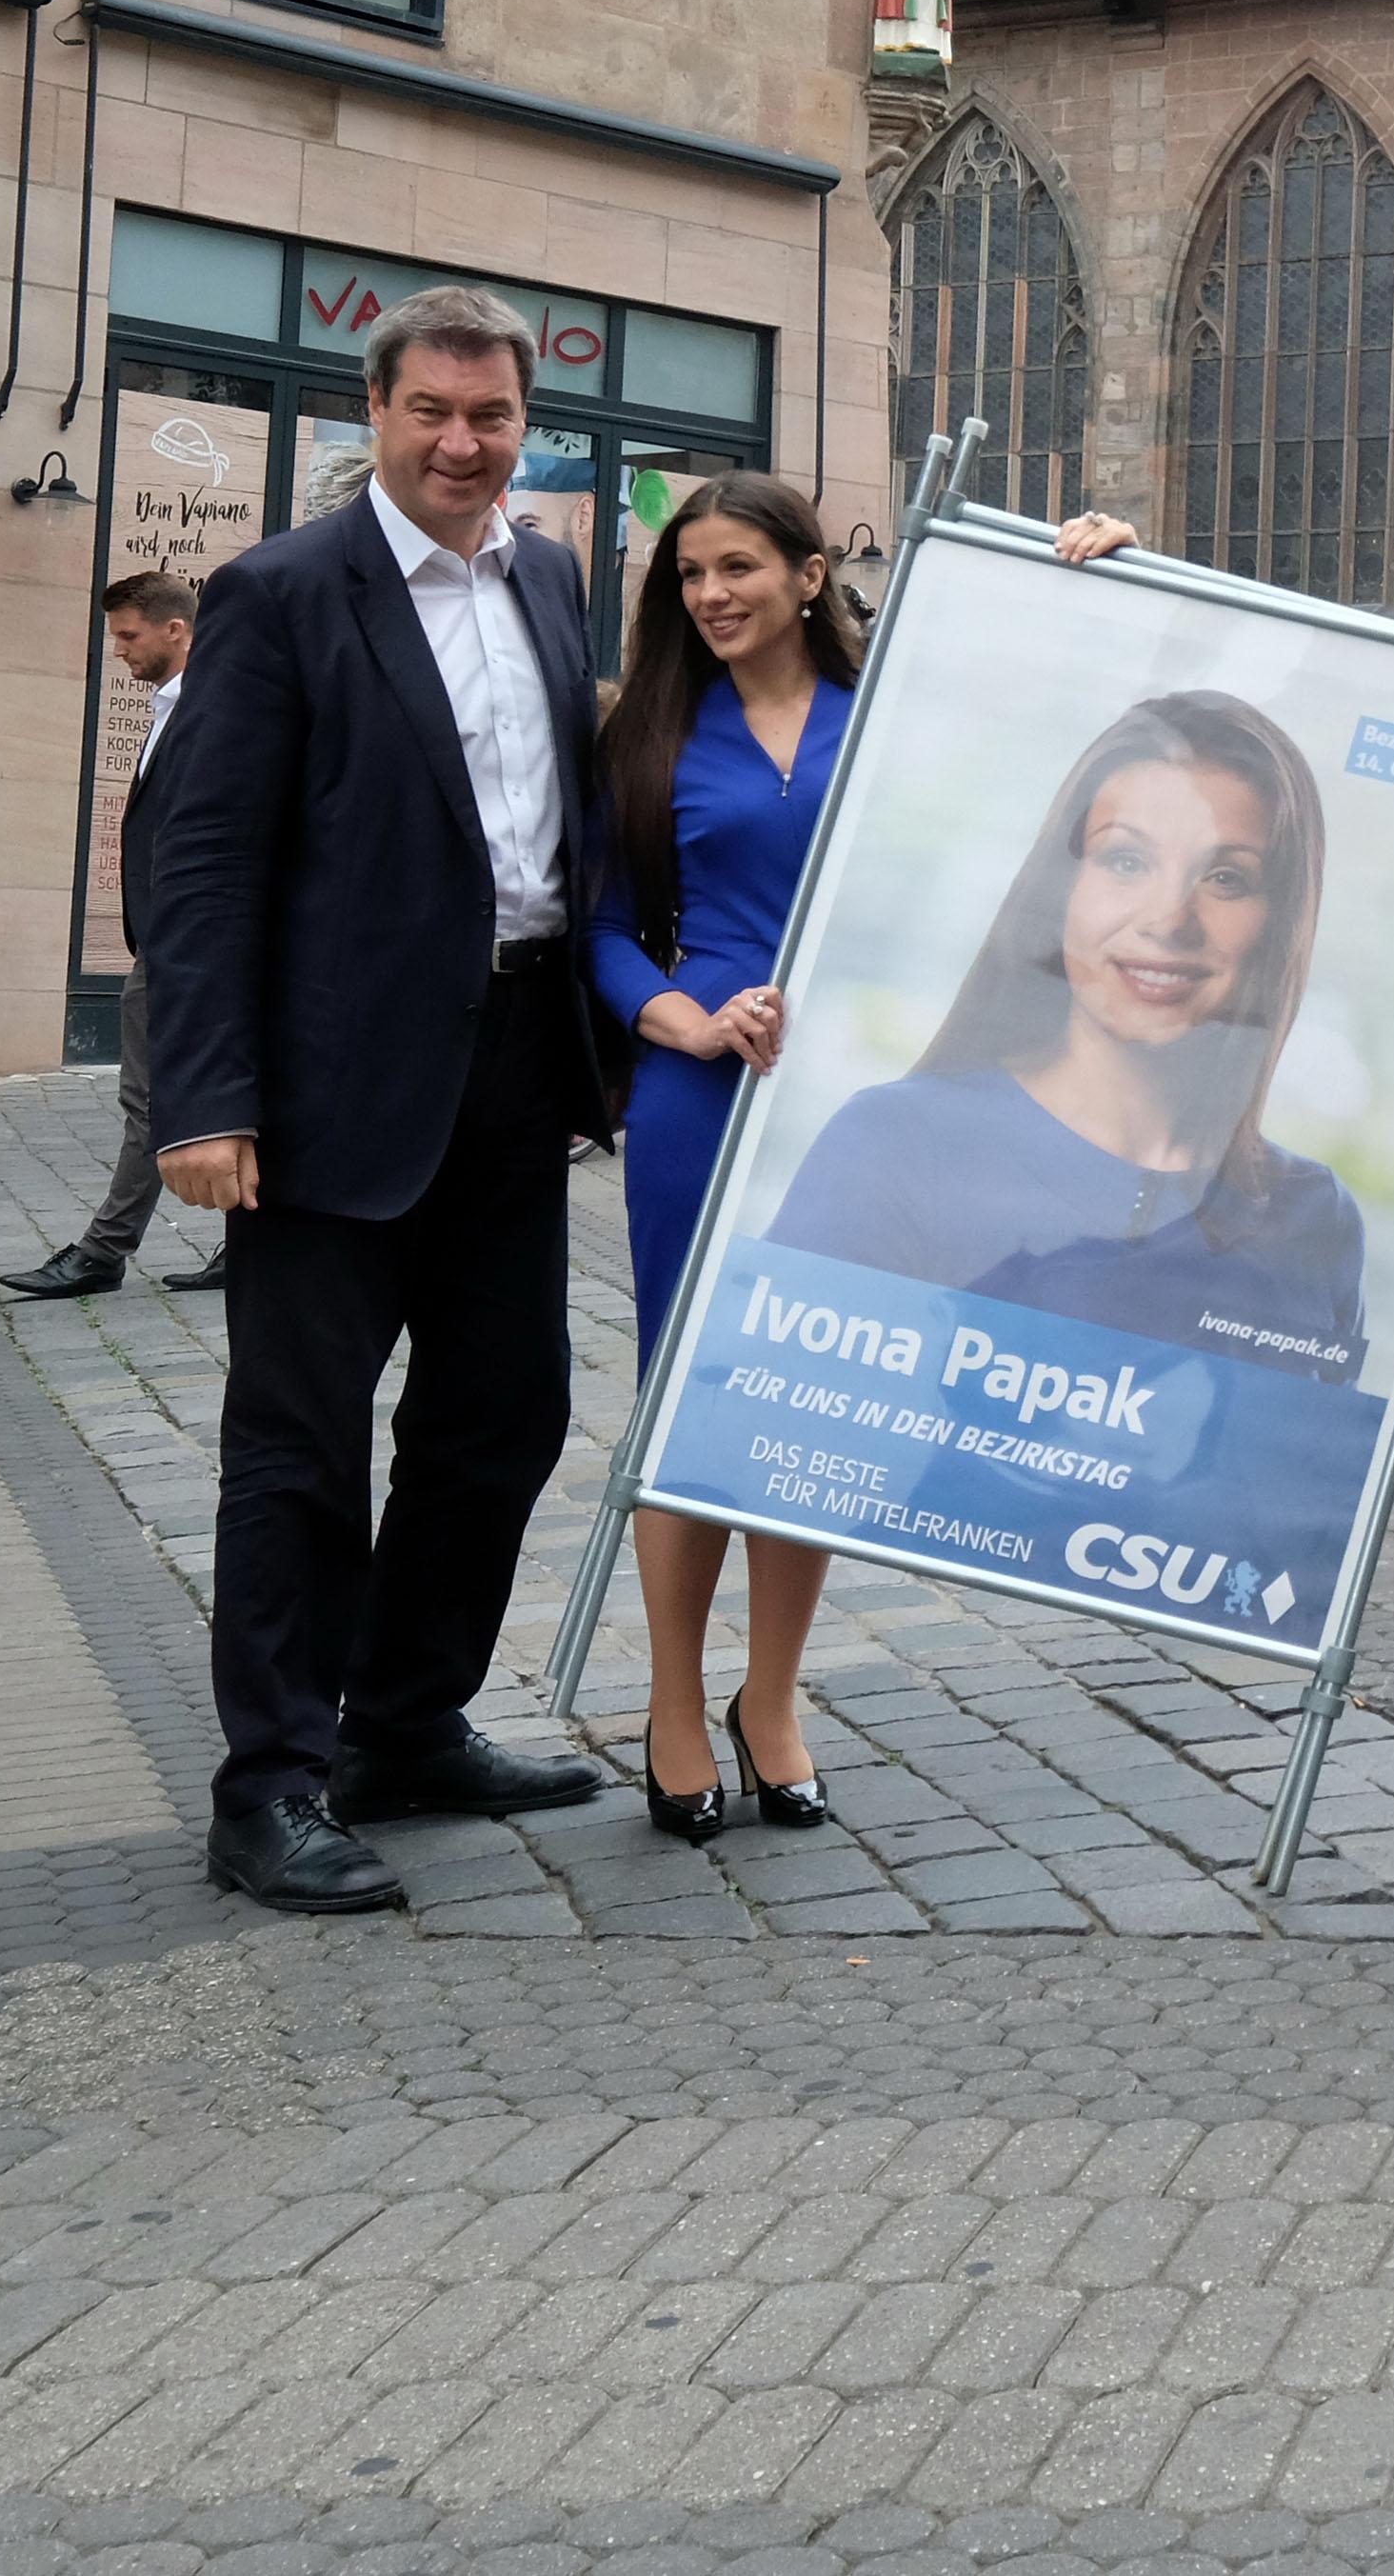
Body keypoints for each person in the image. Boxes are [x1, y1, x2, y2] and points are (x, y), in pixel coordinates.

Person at [147, 286, 626, 1914]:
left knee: (504, 1416)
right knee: (297, 1452)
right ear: (378, 413)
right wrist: (204, 1102)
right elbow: (200, 864)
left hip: (511, 1074)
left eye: (491, 418)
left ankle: (405, 1724)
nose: (462, 444)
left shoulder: (552, 577)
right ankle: (269, 1786)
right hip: (325, 1095)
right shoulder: (284, 592)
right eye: (432, 413)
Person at [766, 690, 1367, 1378]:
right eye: (1127, 861)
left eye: (1226, 877)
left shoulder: (1316, 1218)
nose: (1169, 918)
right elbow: (758, 1439)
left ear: (1278, 921)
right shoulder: (896, 1146)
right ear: (1063, 887)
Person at [587, 472, 860, 1839]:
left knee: (804, 1400)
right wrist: (676, 1011)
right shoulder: (649, 727)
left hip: (848, 1097)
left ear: (809, 574)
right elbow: (603, 923)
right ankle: (678, 1703)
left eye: (739, 565)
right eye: (690, 573)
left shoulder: (892, 713)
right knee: (689, 1396)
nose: (711, 594)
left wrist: (1084, 552)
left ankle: (774, 1695)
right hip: (698, 1092)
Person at [0, 573, 224, 1301]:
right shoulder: (172, 707)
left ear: (175, 629)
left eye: (129, 636)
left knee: (151, 1100)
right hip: (173, 940)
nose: (120, 651)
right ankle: (250, 1241)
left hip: (187, 944)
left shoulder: (210, 711)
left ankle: (103, 1251)